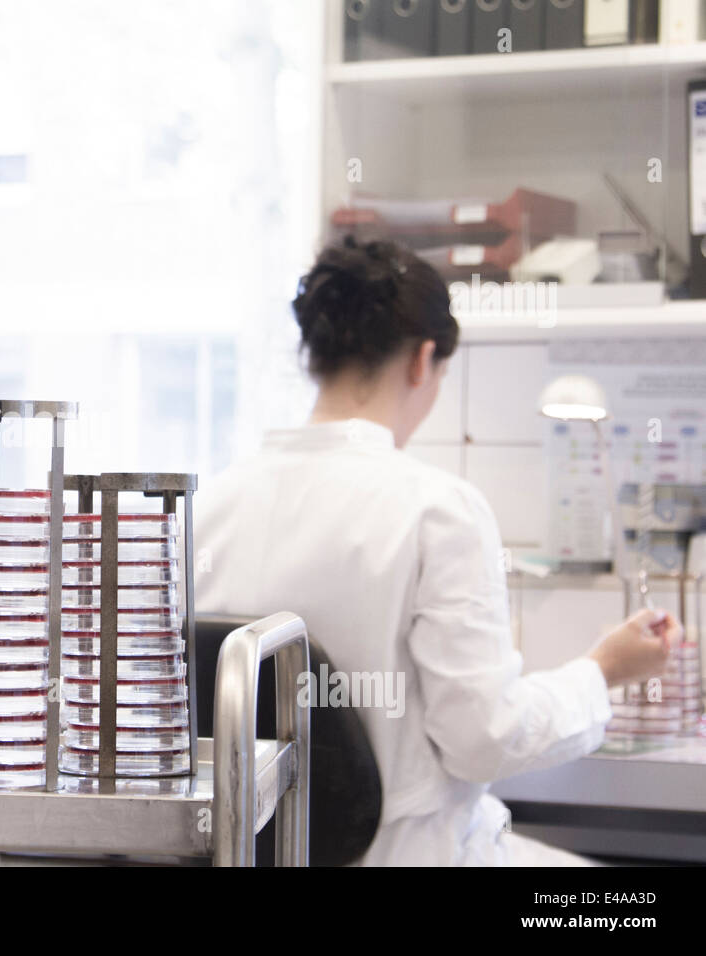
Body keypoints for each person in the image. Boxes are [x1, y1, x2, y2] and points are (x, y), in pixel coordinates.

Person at [195, 236, 678, 867]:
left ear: (313, 355)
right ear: (424, 361)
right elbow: (486, 740)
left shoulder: (208, 509)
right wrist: (602, 671)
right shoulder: (436, 510)